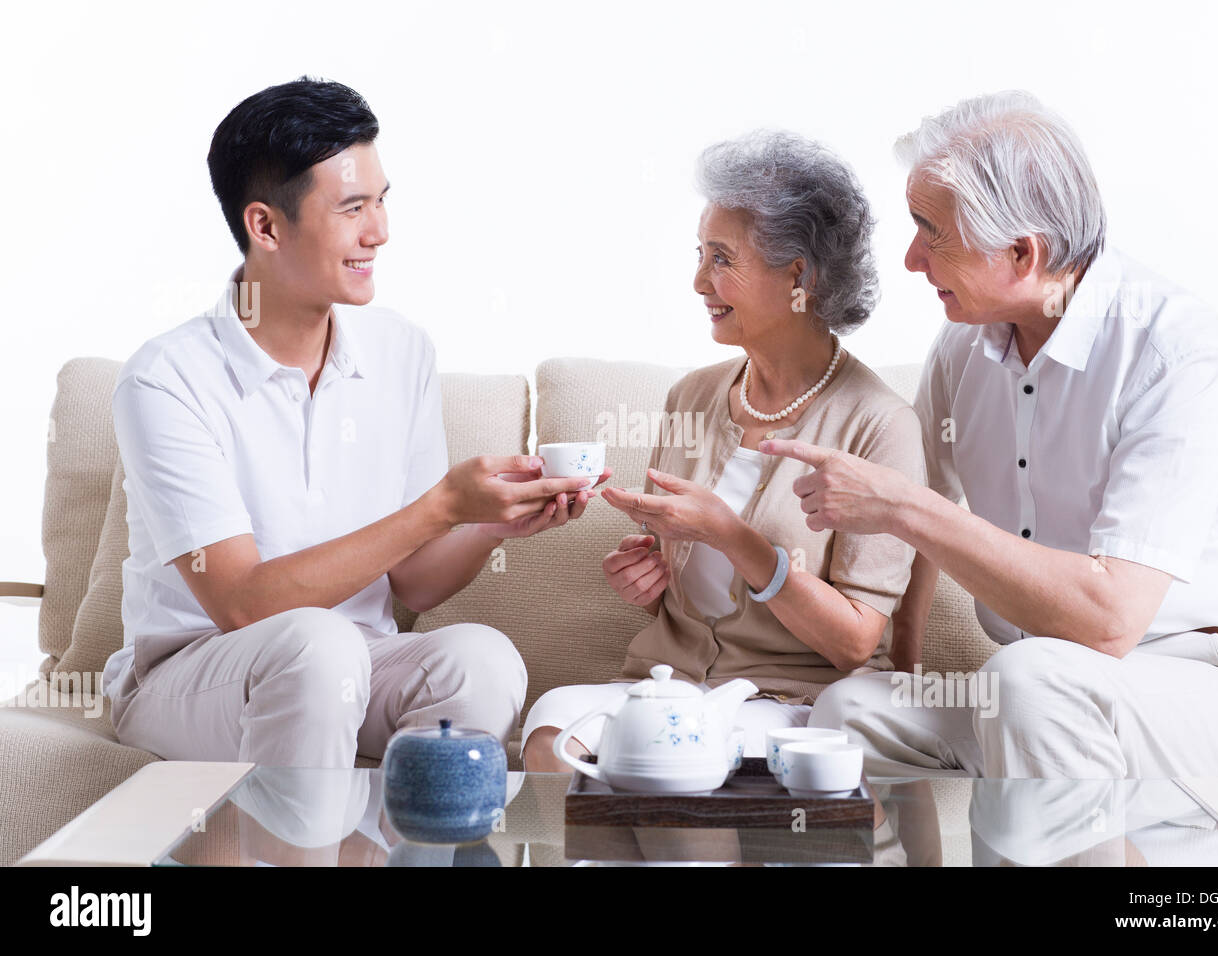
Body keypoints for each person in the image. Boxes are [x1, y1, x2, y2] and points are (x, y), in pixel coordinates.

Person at [762, 90, 1218, 778]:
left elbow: (1110, 623)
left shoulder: (1171, 347)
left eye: (932, 232)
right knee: (850, 713)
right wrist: (902, 661)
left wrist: (899, 504)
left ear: (1021, 253)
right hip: (1042, 690)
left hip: (1212, 687)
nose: (910, 259)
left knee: (1030, 681)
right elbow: (929, 504)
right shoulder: (965, 349)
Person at [101, 77, 608, 767]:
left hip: (358, 662)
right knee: (315, 645)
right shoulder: (168, 379)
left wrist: (489, 520)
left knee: (481, 661)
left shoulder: (401, 352)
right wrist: (440, 506)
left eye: (382, 200)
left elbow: (415, 584)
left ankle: (396, 848)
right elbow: (243, 605)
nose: (381, 230)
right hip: (196, 674)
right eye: (353, 208)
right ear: (266, 225)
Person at [521, 130, 926, 770]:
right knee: (552, 735)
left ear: (800, 275)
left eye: (721, 258)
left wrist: (735, 539)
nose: (697, 280)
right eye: (700, 253)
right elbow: (683, 590)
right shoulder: (692, 397)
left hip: (790, 701)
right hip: (670, 687)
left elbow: (854, 643)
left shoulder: (879, 425)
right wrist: (648, 581)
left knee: (678, 760)